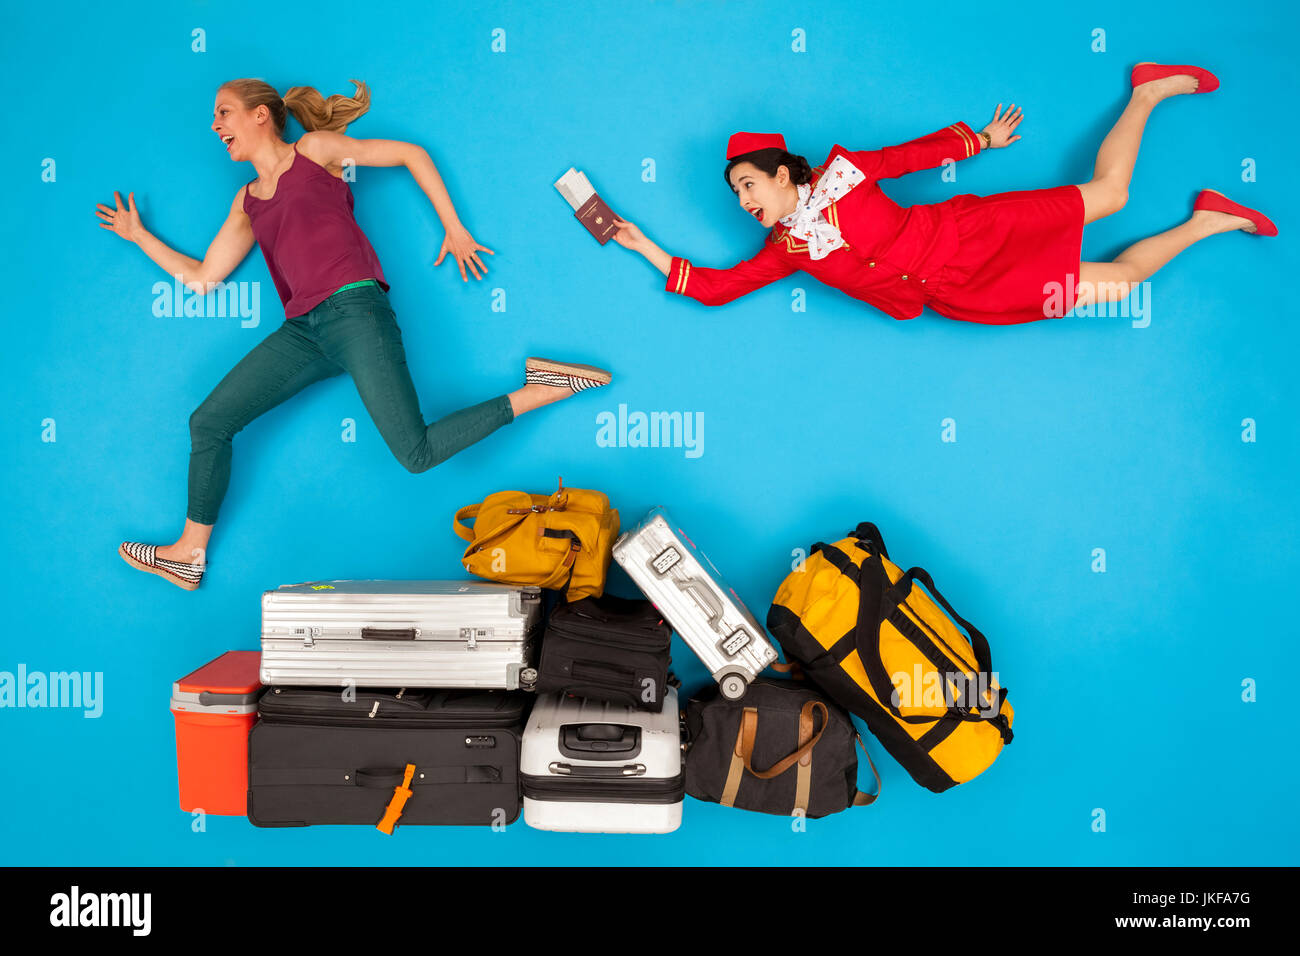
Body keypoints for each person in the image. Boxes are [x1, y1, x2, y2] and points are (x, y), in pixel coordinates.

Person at [99, 79, 610, 590]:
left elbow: (411, 155)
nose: (215, 126)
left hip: (356, 312)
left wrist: (454, 229)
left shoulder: (314, 152)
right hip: (304, 332)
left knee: (417, 454)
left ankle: (542, 387)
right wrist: (138, 235)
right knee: (208, 422)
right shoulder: (247, 201)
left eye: (224, 113)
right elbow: (205, 278)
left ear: (260, 116)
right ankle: (189, 553)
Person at [612, 63, 1276, 325]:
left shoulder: (845, 170)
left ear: (784, 174)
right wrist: (642, 245)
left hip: (975, 232)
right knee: (1123, 287)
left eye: (748, 185)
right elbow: (715, 287)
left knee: (1110, 196)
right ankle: (1209, 219)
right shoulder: (787, 248)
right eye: (736, 195)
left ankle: (1148, 90)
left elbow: (908, 157)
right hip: (966, 291)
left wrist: (979, 142)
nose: (744, 201)